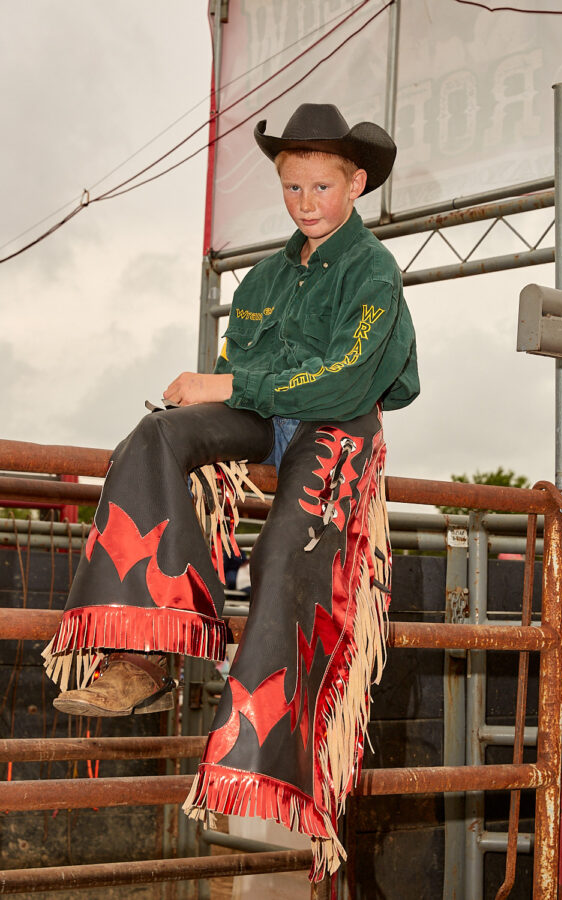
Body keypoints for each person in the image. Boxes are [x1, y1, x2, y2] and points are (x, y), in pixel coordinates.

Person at [42, 103, 419, 880]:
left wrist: (229, 381)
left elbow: (348, 377)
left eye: (320, 185)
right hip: (267, 416)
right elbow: (240, 378)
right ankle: (143, 656)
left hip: (340, 421)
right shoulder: (265, 279)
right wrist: (221, 394)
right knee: (157, 435)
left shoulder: (374, 270)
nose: (305, 202)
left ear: (355, 184)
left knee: (290, 553)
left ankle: (262, 777)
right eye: (291, 187)